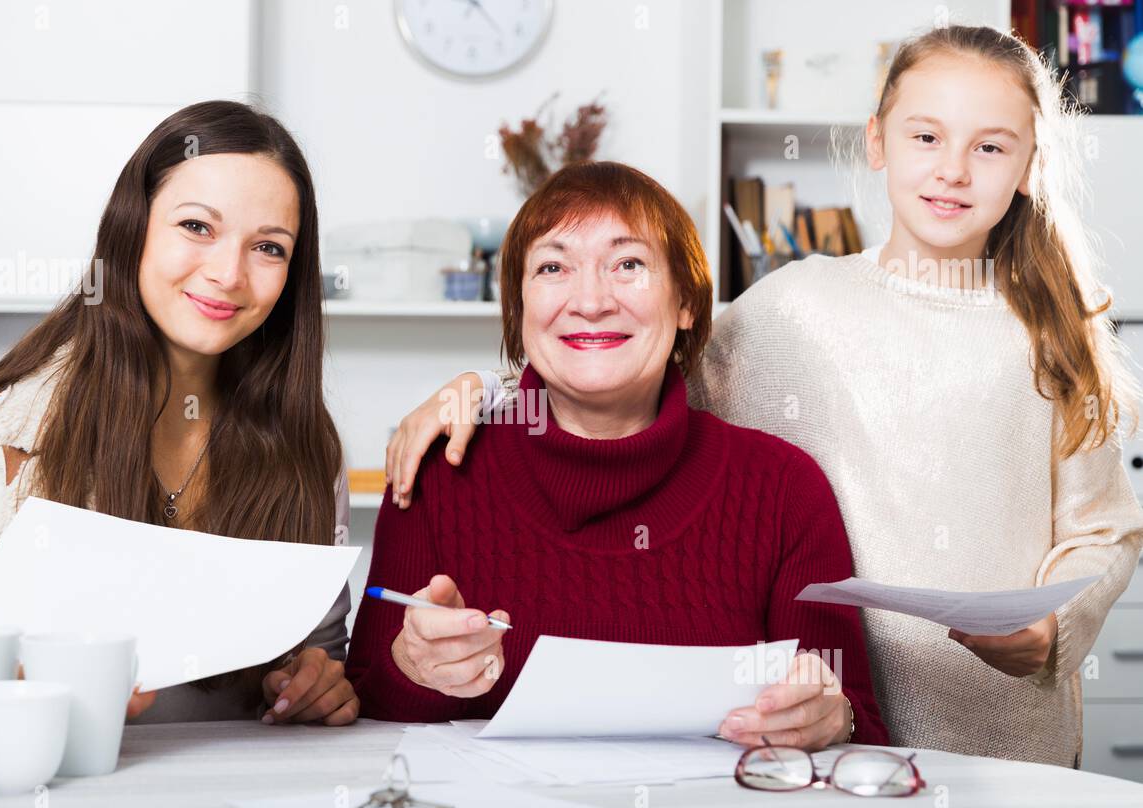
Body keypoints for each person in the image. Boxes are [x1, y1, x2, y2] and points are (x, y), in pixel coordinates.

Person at [384, 26, 1143, 766]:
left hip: (1010, 741)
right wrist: (487, 391)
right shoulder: (793, 308)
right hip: (829, 740)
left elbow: (1106, 531)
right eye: (926, 138)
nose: (952, 170)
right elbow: (630, 367)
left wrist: (1054, 626)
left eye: (989, 146)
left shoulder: (1054, 330)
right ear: (876, 142)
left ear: (1028, 163)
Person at [0, 101, 358, 727]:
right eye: (197, 227)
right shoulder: (7, 432)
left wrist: (320, 683)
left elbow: (324, 655)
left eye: (269, 247)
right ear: (132, 227)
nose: (228, 274)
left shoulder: (308, 446)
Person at [347, 160, 890, 749]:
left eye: (628, 265)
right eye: (554, 267)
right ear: (518, 310)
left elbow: (856, 720)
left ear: (685, 302)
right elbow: (366, 710)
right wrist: (415, 668)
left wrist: (833, 719)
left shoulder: (785, 489)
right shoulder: (437, 471)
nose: (590, 300)